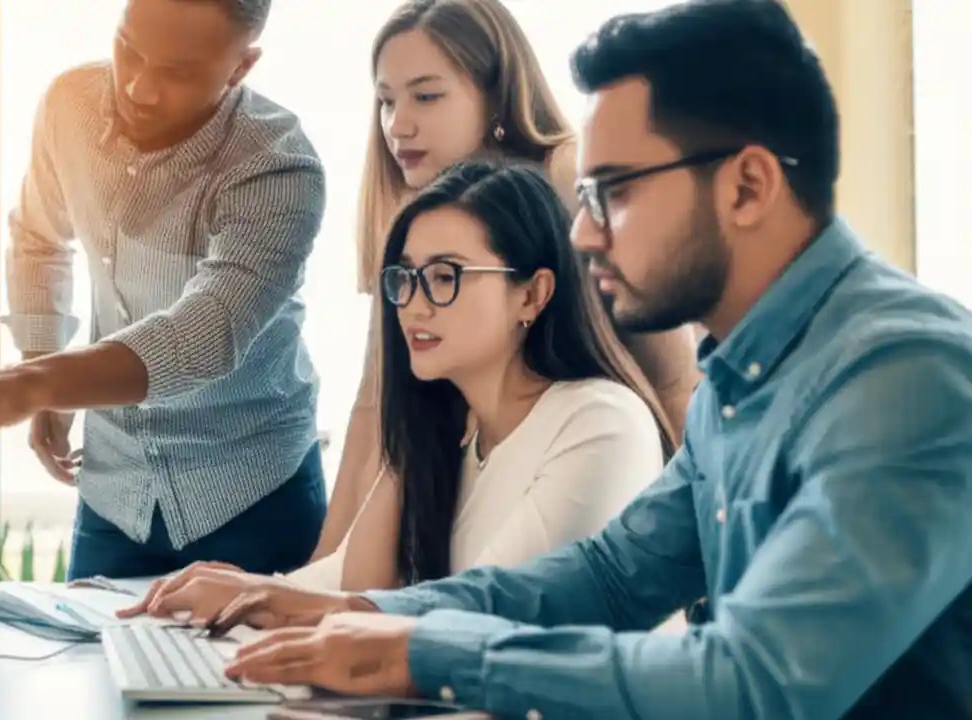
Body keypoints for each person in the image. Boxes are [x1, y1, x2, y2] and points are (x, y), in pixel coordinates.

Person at [130, 1, 972, 717]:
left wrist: (429, 655)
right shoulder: (742, 378)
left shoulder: (903, 378)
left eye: (615, 191)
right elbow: (609, 578)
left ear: (747, 187)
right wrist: (353, 611)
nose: (582, 231)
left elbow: (760, 681)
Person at [0, 0, 330, 580]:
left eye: (178, 72)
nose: (139, 88)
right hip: (116, 494)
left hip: (253, 496)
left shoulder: (278, 167)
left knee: (246, 673)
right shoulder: (69, 105)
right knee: (87, 664)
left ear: (241, 68)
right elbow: (39, 237)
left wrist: (30, 386)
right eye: (128, 50)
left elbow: (205, 333)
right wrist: (42, 365)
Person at [122, 161, 669, 604]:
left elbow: (484, 612)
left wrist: (275, 601)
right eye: (404, 278)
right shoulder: (453, 426)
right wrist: (244, 590)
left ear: (532, 294)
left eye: (443, 277)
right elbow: (351, 581)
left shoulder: (601, 421)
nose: (412, 304)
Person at [312, 0, 699, 566]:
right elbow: (375, 408)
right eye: (387, 101)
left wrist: (698, 549)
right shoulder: (421, 223)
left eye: (427, 95)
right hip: (497, 489)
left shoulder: (569, 181)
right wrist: (314, 569)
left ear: (494, 95)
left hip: (608, 480)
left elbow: (673, 376)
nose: (399, 125)